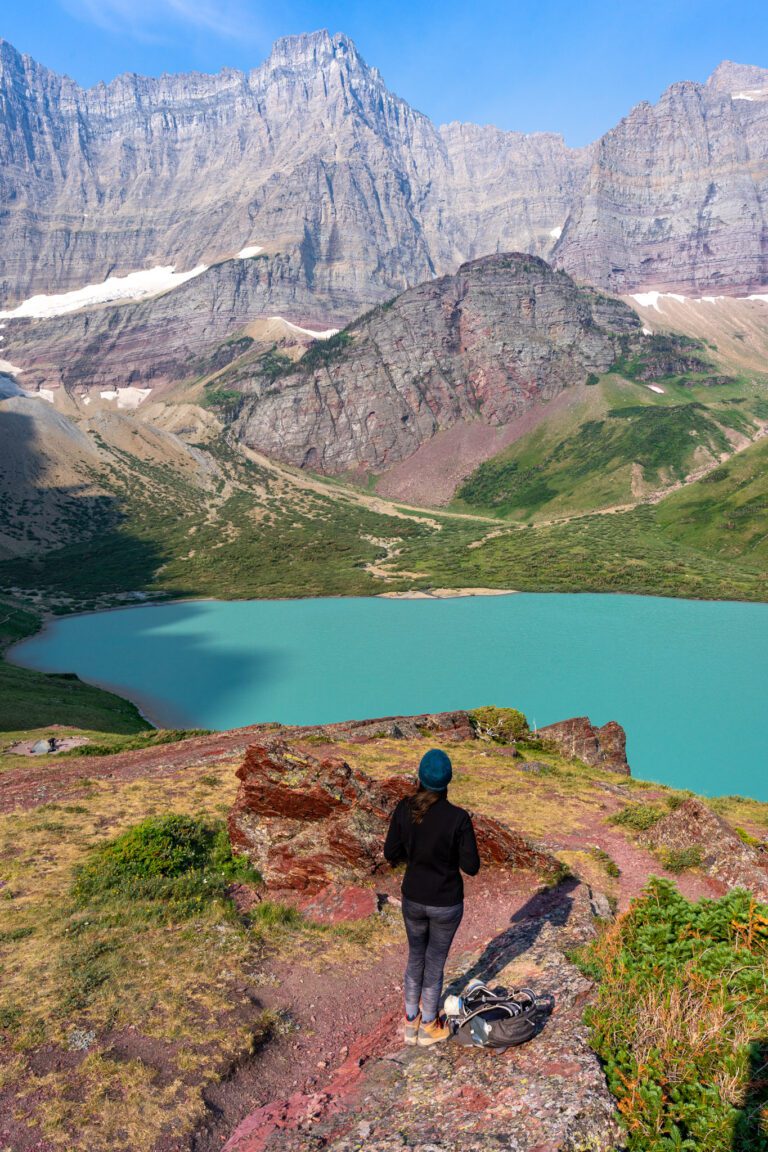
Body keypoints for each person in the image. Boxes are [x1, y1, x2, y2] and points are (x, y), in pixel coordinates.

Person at [384, 747, 480, 1047]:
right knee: (435, 963)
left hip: (413, 897)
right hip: (445, 902)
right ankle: (429, 1025)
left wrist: (415, 858)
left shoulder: (404, 808)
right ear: (447, 781)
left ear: (420, 777)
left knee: (415, 957)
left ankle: (410, 1022)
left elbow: (391, 853)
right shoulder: (458, 818)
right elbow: (471, 867)